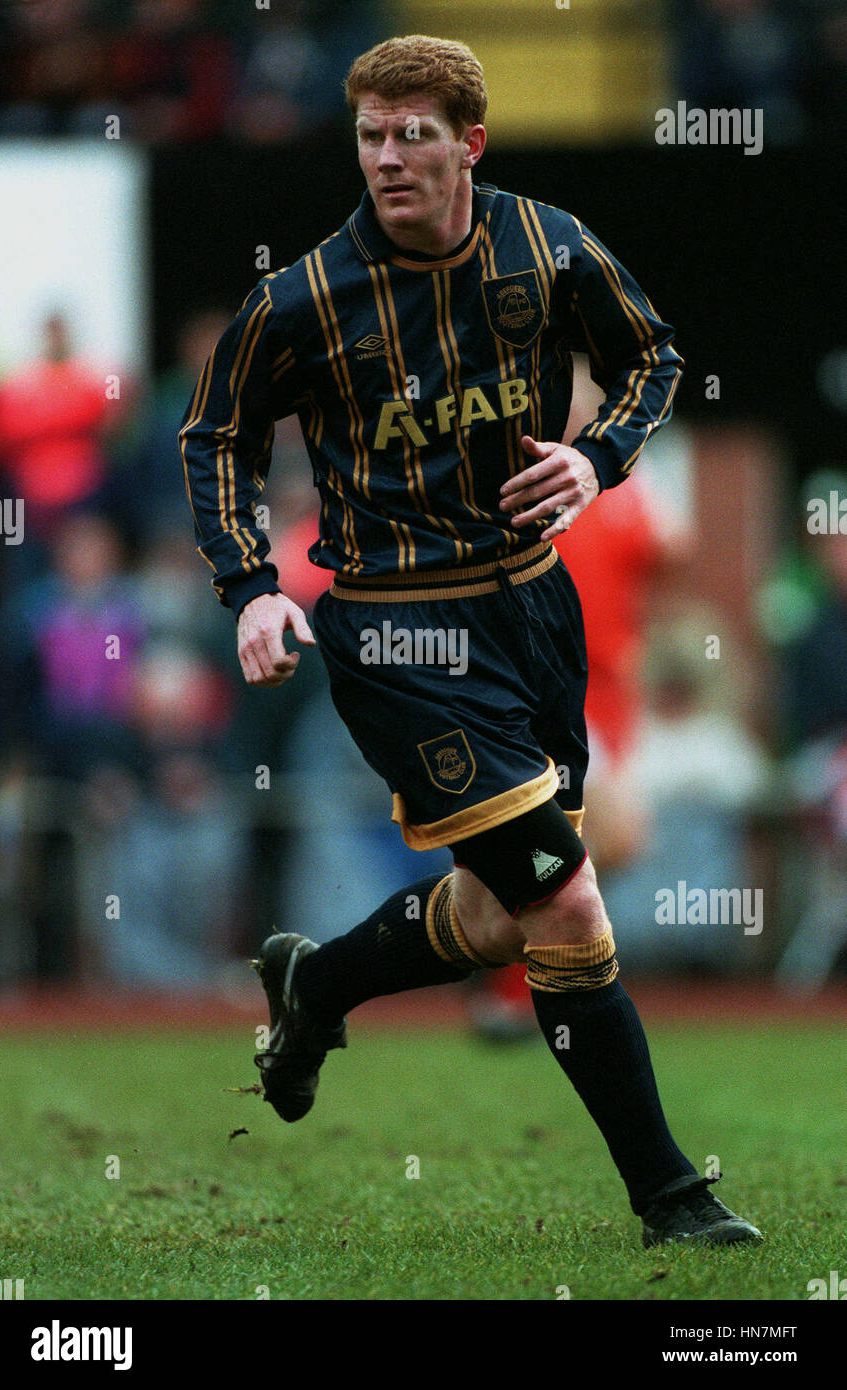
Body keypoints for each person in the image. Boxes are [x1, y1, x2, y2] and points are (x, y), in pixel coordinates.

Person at [179, 34, 762, 1248]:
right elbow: (215, 435)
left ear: (468, 144)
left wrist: (596, 457)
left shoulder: (546, 246)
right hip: (394, 629)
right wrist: (248, 586)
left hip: (531, 608)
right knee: (564, 902)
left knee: (498, 916)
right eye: (370, 137)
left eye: (413, 135)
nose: (387, 159)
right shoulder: (298, 297)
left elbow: (655, 354)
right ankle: (670, 1196)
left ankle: (317, 982)